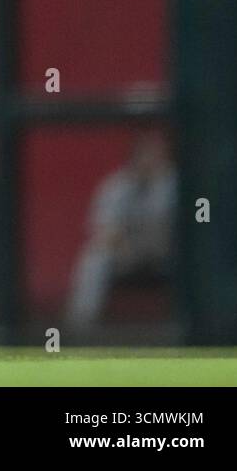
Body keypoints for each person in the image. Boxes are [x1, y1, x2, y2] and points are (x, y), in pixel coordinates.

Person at [65, 130, 176, 331]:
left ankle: (193, 324)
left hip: (167, 251)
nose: (150, 159)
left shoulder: (175, 183)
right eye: (145, 153)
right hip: (127, 251)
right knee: (96, 256)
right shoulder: (117, 186)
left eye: (157, 153)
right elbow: (104, 229)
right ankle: (81, 324)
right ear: (134, 156)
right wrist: (120, 246)